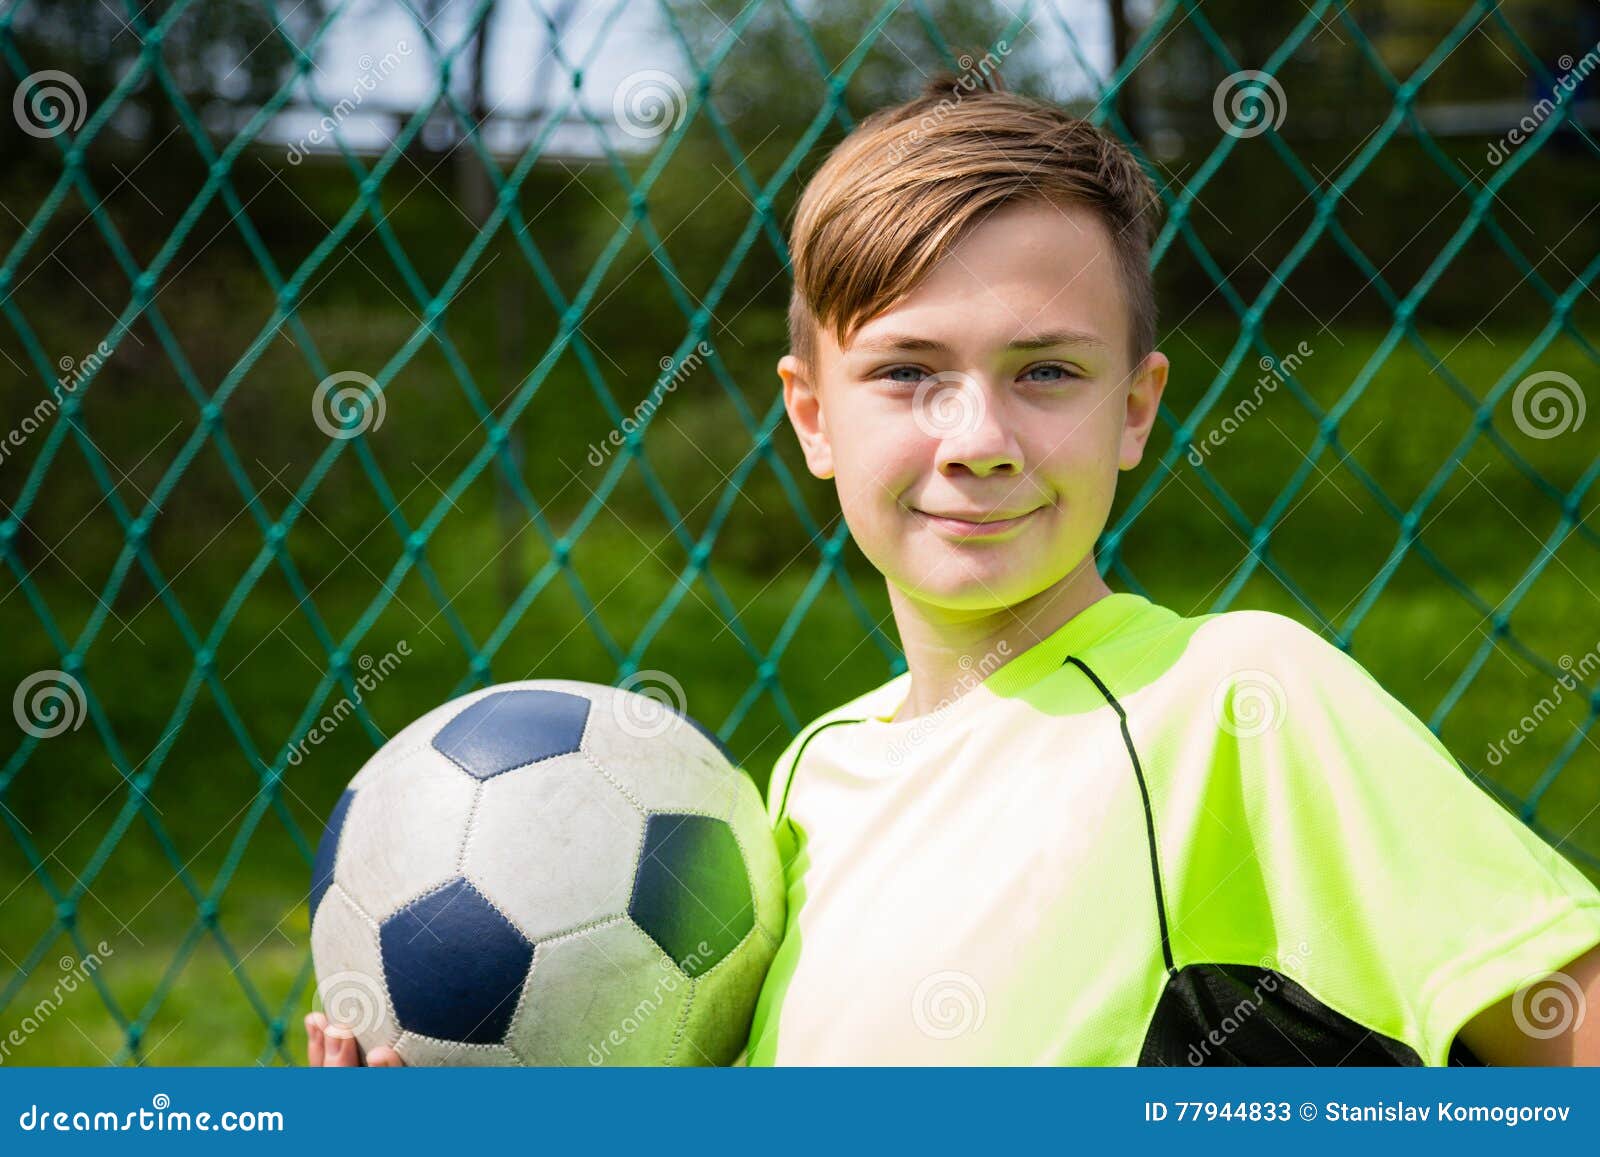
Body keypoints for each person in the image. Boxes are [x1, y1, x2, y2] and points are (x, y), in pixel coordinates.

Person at [309, 69, 1600, 1068]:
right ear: (813, 415)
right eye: (908, 373)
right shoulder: (798, 787)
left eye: (1046, 371)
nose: (978, 441)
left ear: (1138, 409)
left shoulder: (1242, 700)